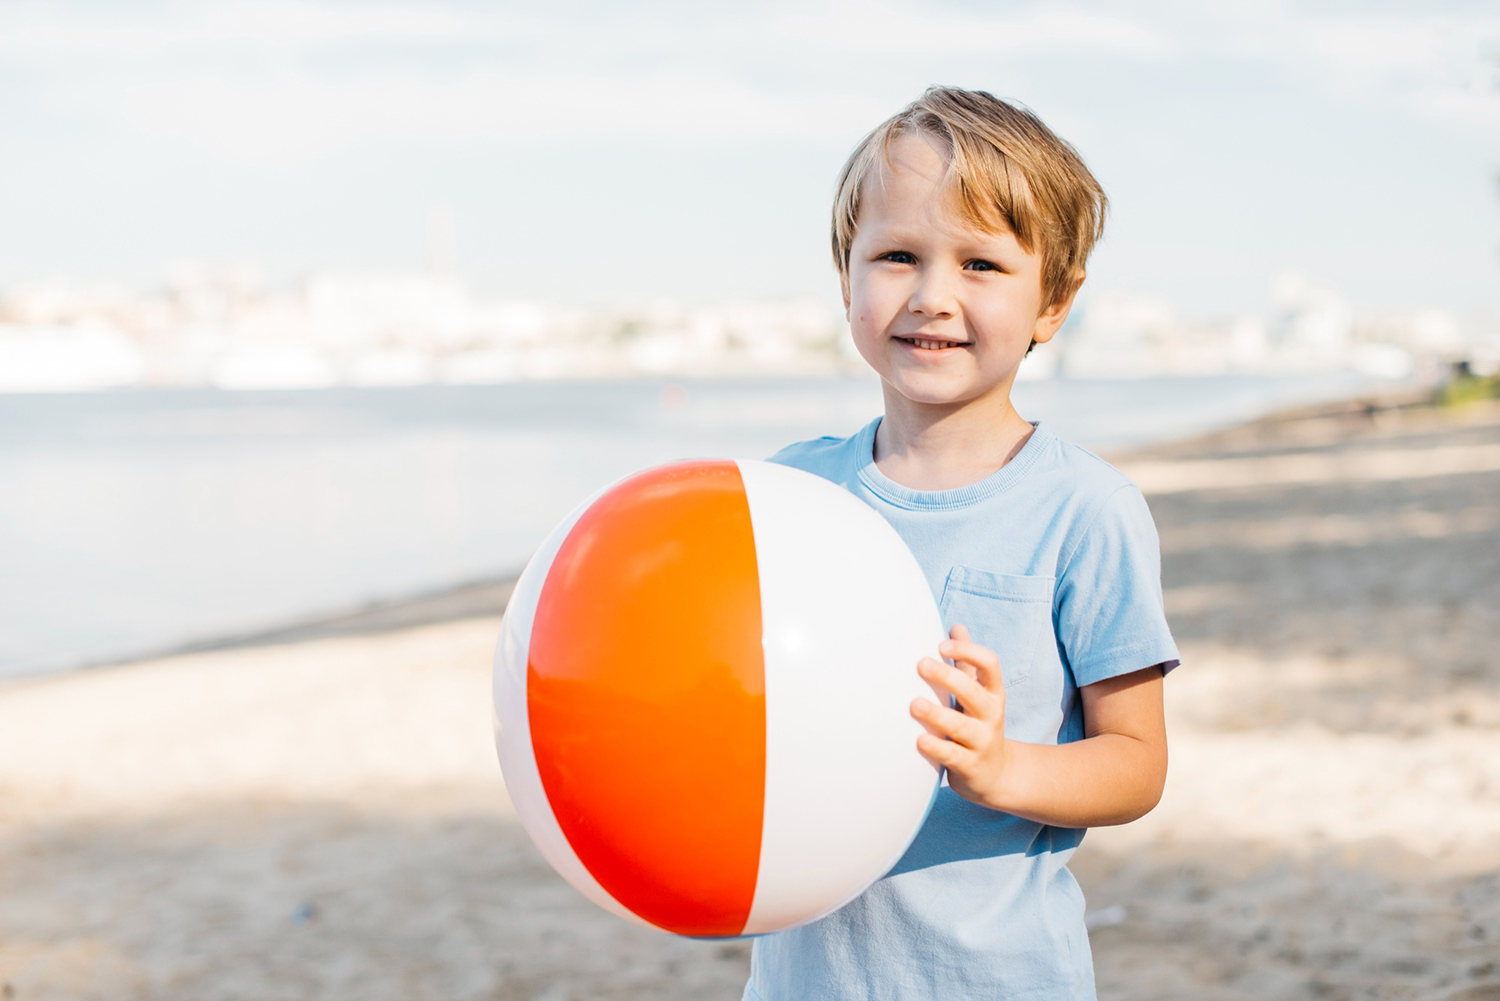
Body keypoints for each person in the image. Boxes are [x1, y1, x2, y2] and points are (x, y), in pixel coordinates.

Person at [744, 86, 1180, 1000]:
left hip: (1003, 977)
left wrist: (1002, 764)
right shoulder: (788, 492)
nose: (933, 296)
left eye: (981, 264)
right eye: (897, 255)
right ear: (847, 279)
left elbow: (1136, 763)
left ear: (1054, 302)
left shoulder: (1084, 509)